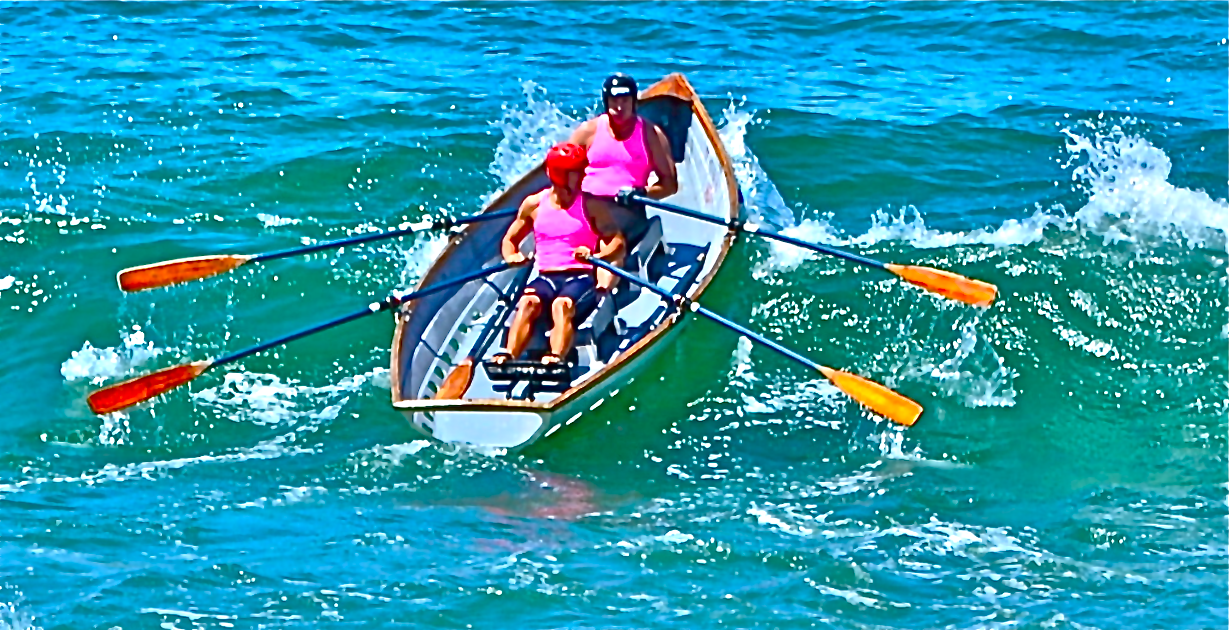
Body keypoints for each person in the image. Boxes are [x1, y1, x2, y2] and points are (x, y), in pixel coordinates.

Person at [494, 143, 625, 366]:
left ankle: (556, 357)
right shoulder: (533, 205)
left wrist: (599, 256)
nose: (581, 178)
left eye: (580, 172)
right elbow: (510, 240)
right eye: (574, 173)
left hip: (580, 278)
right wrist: (511, 255)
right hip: (545, 278)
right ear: (557, 175)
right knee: (527, 303)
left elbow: (618, 242)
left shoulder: (591, 205)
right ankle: (508, 355)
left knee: (561, 306)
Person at [568, 73, 678, 243]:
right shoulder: (587, 132)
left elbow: (670, 185)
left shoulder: (652, 135)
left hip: (627, 211)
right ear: (606, 102)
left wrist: (641, 193)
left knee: (608, 244)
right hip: (588, 208)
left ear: (634, 102)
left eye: (625, 100)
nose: (619, 107)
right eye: (614, 100)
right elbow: (564, 174)